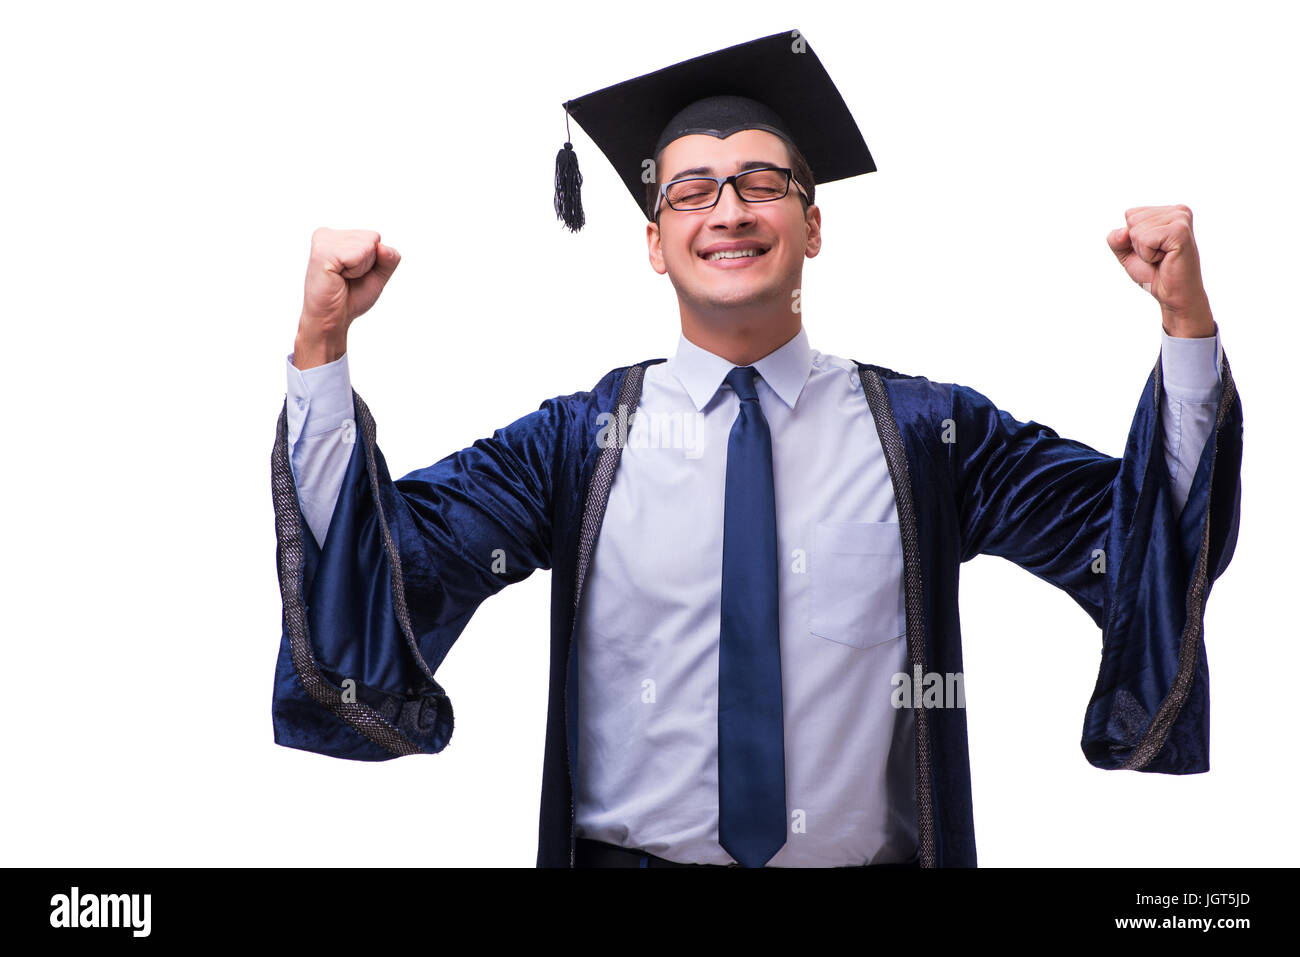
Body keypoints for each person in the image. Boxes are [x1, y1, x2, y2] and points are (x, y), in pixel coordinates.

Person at [269, 30, 1242, 868]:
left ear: (810, 226)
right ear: (654, 242)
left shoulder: (932, 439)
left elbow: (1148, 535)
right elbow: (382, 560)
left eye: (761, 183)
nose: (728, 209)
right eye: (691, 190)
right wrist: (322, 349)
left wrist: (1184, 326)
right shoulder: (574, 448)